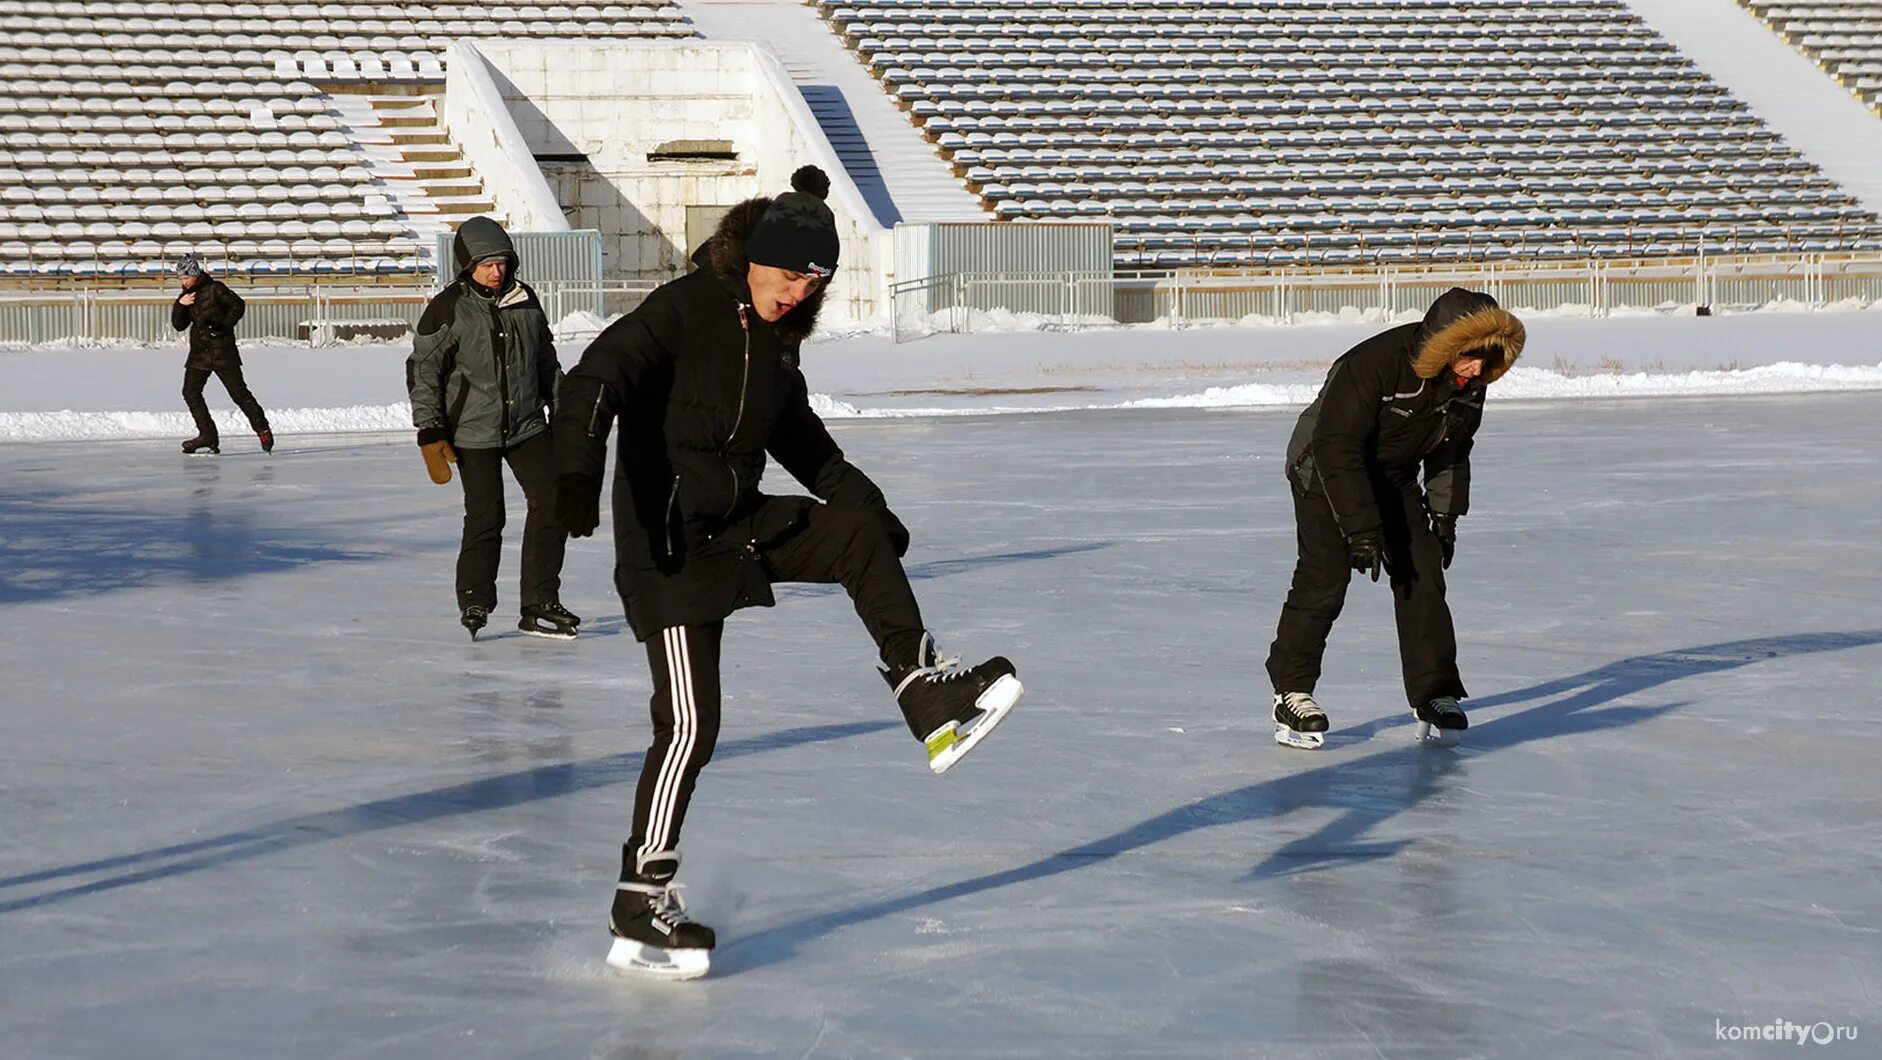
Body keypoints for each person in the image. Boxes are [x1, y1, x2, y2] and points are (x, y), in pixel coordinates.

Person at [553, 166, 1023, 979]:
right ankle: (642, 895)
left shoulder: (774, 348)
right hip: (668, 549)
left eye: (816, 283)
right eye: (788, 275)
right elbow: (598, 378)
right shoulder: (686, 307)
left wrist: (873, 513)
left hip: (736, 526)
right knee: (692, 726)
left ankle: (923, 690)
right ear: (754, 258)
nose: (798, 294)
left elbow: (808, 448)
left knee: (850, 534)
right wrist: (573, 474)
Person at [1265, 287, 1524, 750]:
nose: (1476, 371)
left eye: (1486, 362)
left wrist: (1444, 519)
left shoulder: (1469, 387)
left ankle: (1434, 692)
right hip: (1322, 469)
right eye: (1469, 358)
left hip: (1393, 476)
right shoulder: (1376, 364)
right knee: (1325, 574)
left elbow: (1451, 453)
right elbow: (1336, 446)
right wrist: (1360, 528)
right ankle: (1291, 690)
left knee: (1422, 569)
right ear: (1447, 347)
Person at [405, 216, 579, 640]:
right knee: (486, 514)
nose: (496, 271)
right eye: (486, 264)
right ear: (468, 266)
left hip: (526, 424)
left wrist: (565, 412)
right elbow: (424, 370)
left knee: (551, 501)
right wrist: (430, 429)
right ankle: (475, 598)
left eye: (501, 262)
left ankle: (539, 603)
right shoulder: (448, 307)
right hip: (471, 430)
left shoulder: (524, 299)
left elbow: (545, 361)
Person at [172, 255, 271, 455]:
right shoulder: (186, 296)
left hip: (222, 351)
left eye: (185, 278)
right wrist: (180, 305)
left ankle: (263, 429)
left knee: (239, 394)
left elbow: (238, 305)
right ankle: (207, 435)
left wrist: (225, 326)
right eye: (180, 279)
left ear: (194, 274)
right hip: (199, 353)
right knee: (190, 392)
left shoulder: (216, 288)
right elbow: (179, 325)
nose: (183, 282)